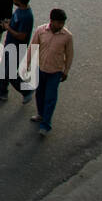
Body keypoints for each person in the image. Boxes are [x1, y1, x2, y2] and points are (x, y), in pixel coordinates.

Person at [27, 8, 73, 136]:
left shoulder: (67, 36)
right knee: (40, 94)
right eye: (58, 23)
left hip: (55, 72)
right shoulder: (41, 30)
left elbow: (69, 55)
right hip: (40, 69)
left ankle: (46, 124)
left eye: (62, 23)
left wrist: (66, 71)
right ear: (51, 21)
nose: (60, 25)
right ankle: (41, 114)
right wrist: (27, 63)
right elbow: (33, 47)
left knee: (50, 98)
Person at [0, 0, 35, 103]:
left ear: (19, 0)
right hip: (10, 44)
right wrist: (9, 23)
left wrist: (7, 27)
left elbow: (22, 36)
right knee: (4, 69)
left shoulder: (26, 16)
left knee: (10, 72)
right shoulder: (20, 10)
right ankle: (1, 91)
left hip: (17, 48)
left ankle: (26, 90)